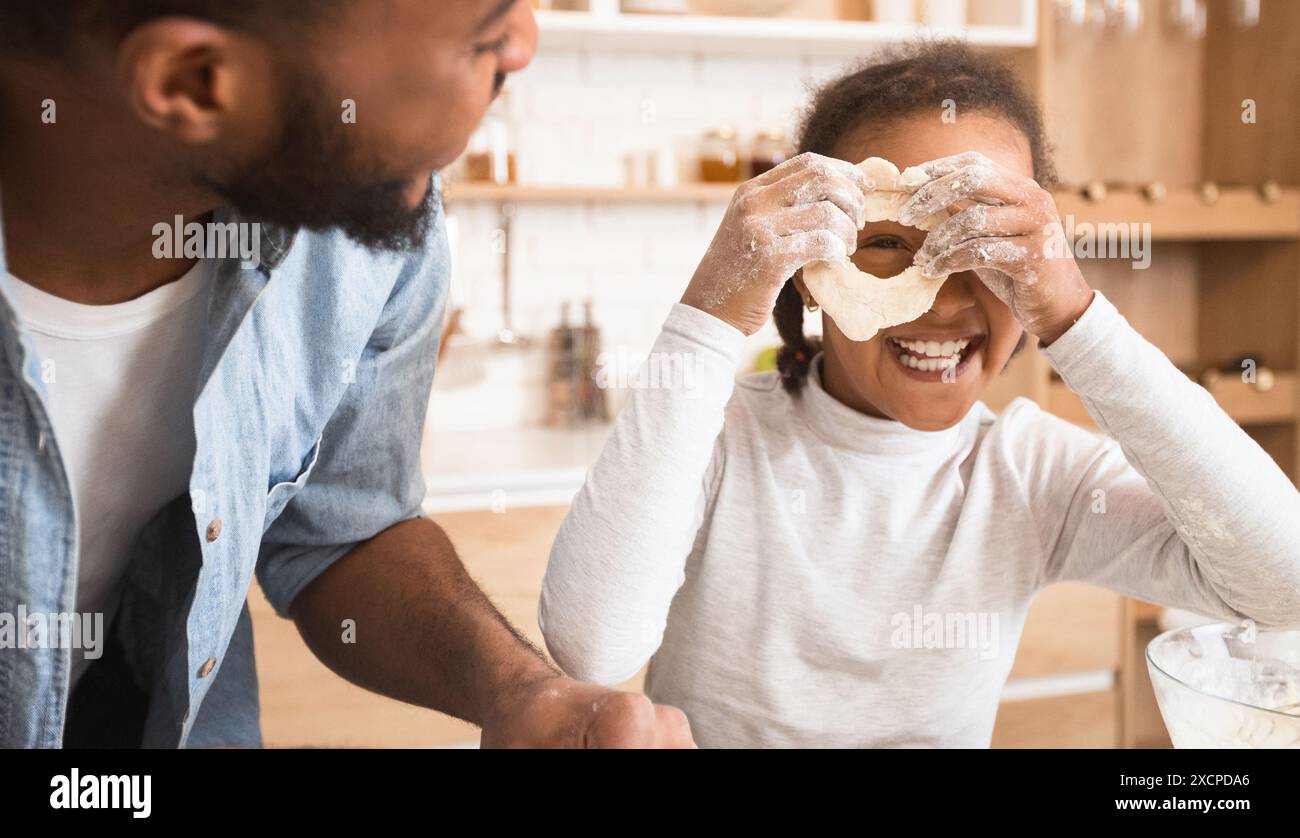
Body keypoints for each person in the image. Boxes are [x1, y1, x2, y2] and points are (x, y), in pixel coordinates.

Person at [539, 43, 1300, 747]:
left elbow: (1285, 585)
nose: (941, 302)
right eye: (888, 244)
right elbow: (592, 647)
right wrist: (710, 311)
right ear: (813, 267)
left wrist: (1076, 317)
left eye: (986, 246)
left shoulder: (1031, 473)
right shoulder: (716, 438)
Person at [0, 0, 694, 748]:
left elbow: (346, 529)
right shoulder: (358, 169)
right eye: (485, 34)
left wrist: (518, 693)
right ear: (195, 82)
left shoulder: (357, 203)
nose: (525, 44)